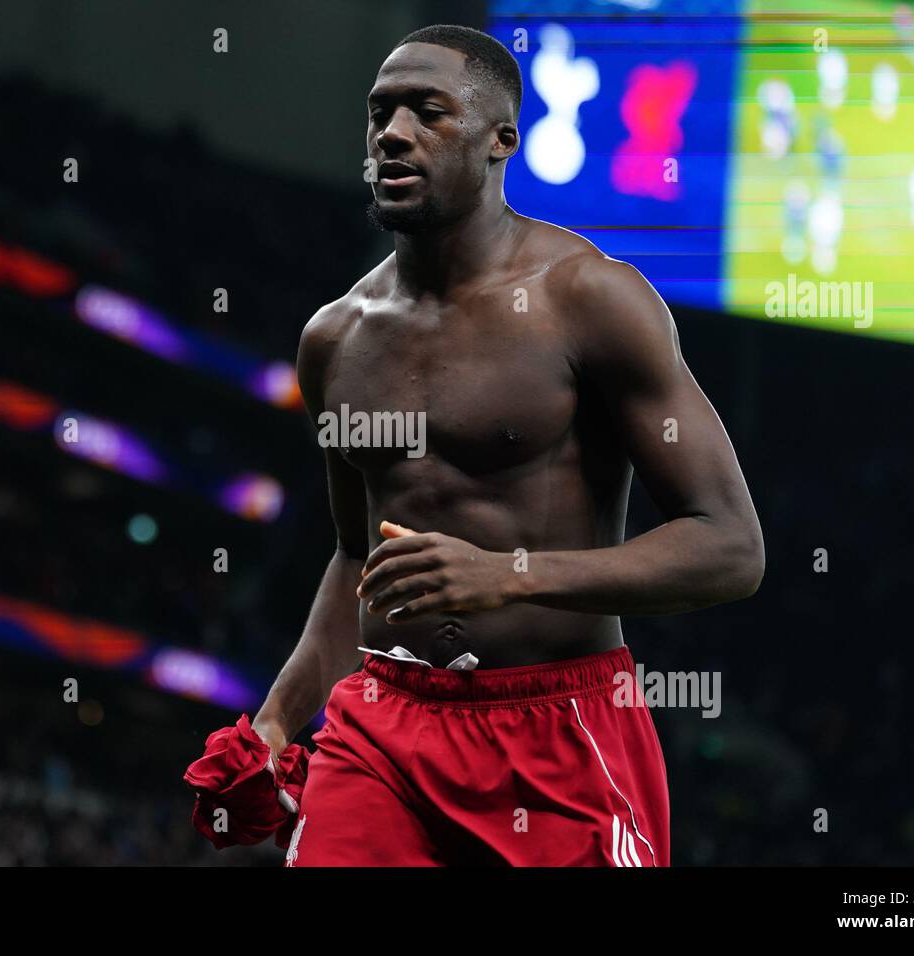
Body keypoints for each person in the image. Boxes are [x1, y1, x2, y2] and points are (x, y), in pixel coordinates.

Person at [185, 23, 763, 867]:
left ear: (502, 141)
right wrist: (274, 724)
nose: (394, 133)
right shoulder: (335, 338)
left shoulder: (591, 300)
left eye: (429, 112)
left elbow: (731, 547)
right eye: (380, 113)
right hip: (382, 725)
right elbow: (357, 558)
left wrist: (509, 574)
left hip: (558, 727)